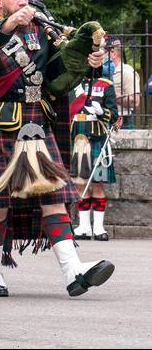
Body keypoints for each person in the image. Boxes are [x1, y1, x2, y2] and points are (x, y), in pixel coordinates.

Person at [0, 0, 113, 299]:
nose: (23, 2)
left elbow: (56, 73)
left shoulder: (40, 31)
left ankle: (74, 272)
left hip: (36, 122)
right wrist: (11, 23)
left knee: (53, 197)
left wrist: (88, 58)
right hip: (1, 125)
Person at [69, 72, 120, 241]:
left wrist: (101, 111)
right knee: (80, 183)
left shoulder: (106, 85)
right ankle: (84, 227)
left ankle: (98, 227)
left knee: (97, 183)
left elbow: (113, 115)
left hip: (98, 137)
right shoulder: (71, 83)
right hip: (78, 138)